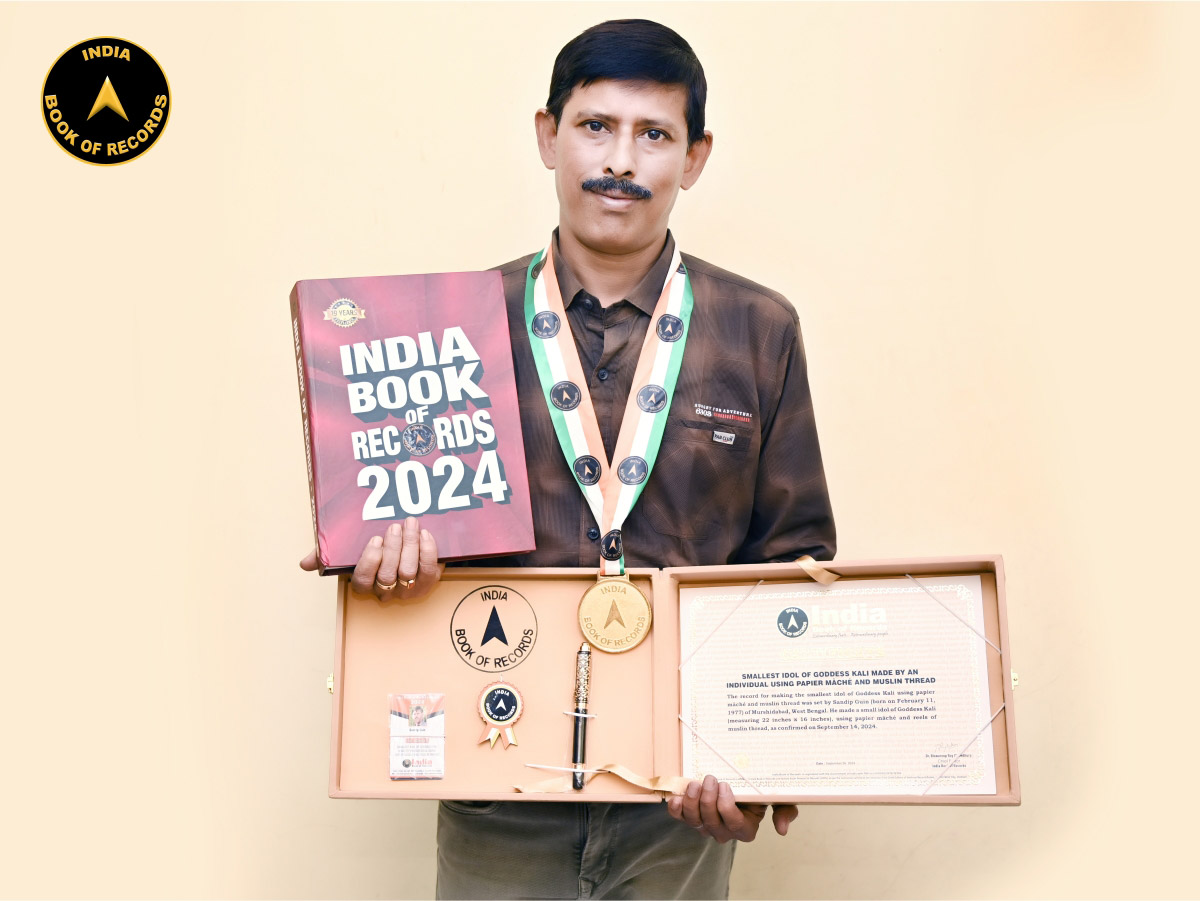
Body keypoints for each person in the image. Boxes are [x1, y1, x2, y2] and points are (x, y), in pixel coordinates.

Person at [302, 18, 835, 899]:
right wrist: (382, 559)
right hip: (495, 784)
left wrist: (759, 763)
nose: (620, 160)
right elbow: (408, 542)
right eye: (595, 127)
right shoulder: (451, 334)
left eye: (653, 134)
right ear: (548, 135)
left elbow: (795, 565)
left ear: (694, 157)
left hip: (681, 799)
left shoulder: (760, 329)